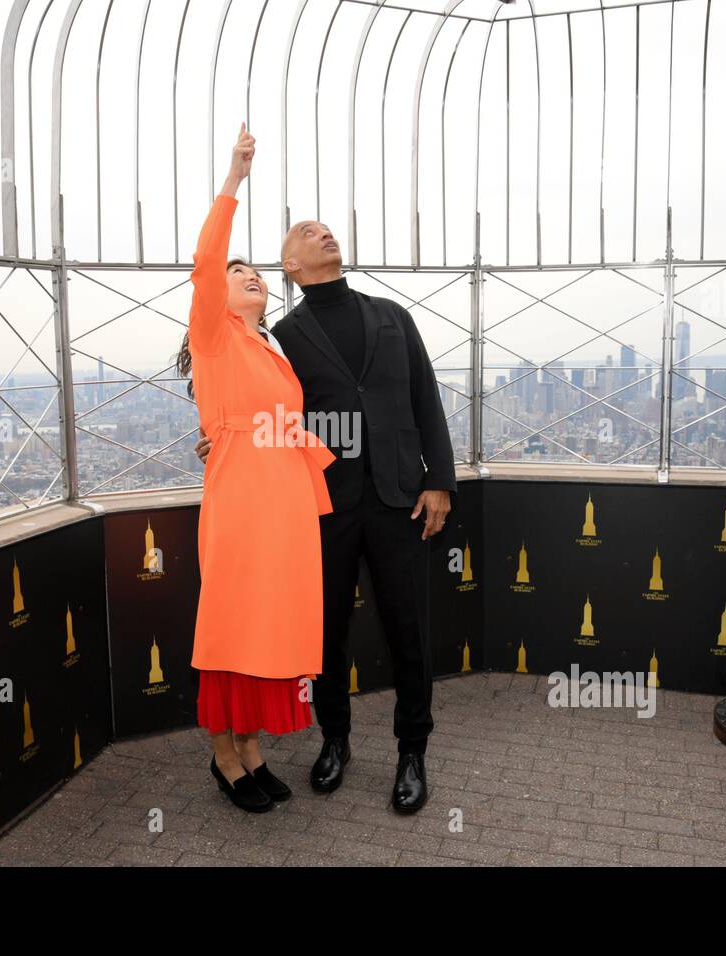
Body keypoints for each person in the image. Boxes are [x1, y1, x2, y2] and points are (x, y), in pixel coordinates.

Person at [195, 217, 456, 814]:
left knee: (408, 632)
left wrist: (439, 478)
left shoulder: (393, 316)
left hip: (400, 498)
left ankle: (412, 751)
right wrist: (218, 438)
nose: (325, 236)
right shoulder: (283, 334)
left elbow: (426, 395)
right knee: (326, 634)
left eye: (328, 230)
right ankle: (334, 741)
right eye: (308, 233)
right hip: (319, 503)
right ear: (291, 263)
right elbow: (256, 397)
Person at [176, 124, 336, 814]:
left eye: (257, 274)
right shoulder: (213, 336)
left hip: (284, 504)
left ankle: (253, 747)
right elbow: (207, 263)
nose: (251, 278)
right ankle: (223, 755)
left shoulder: (271, 349)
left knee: (271, 622)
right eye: (240, 275)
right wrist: (234, 181)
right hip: (243, 501)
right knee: (232, 623)